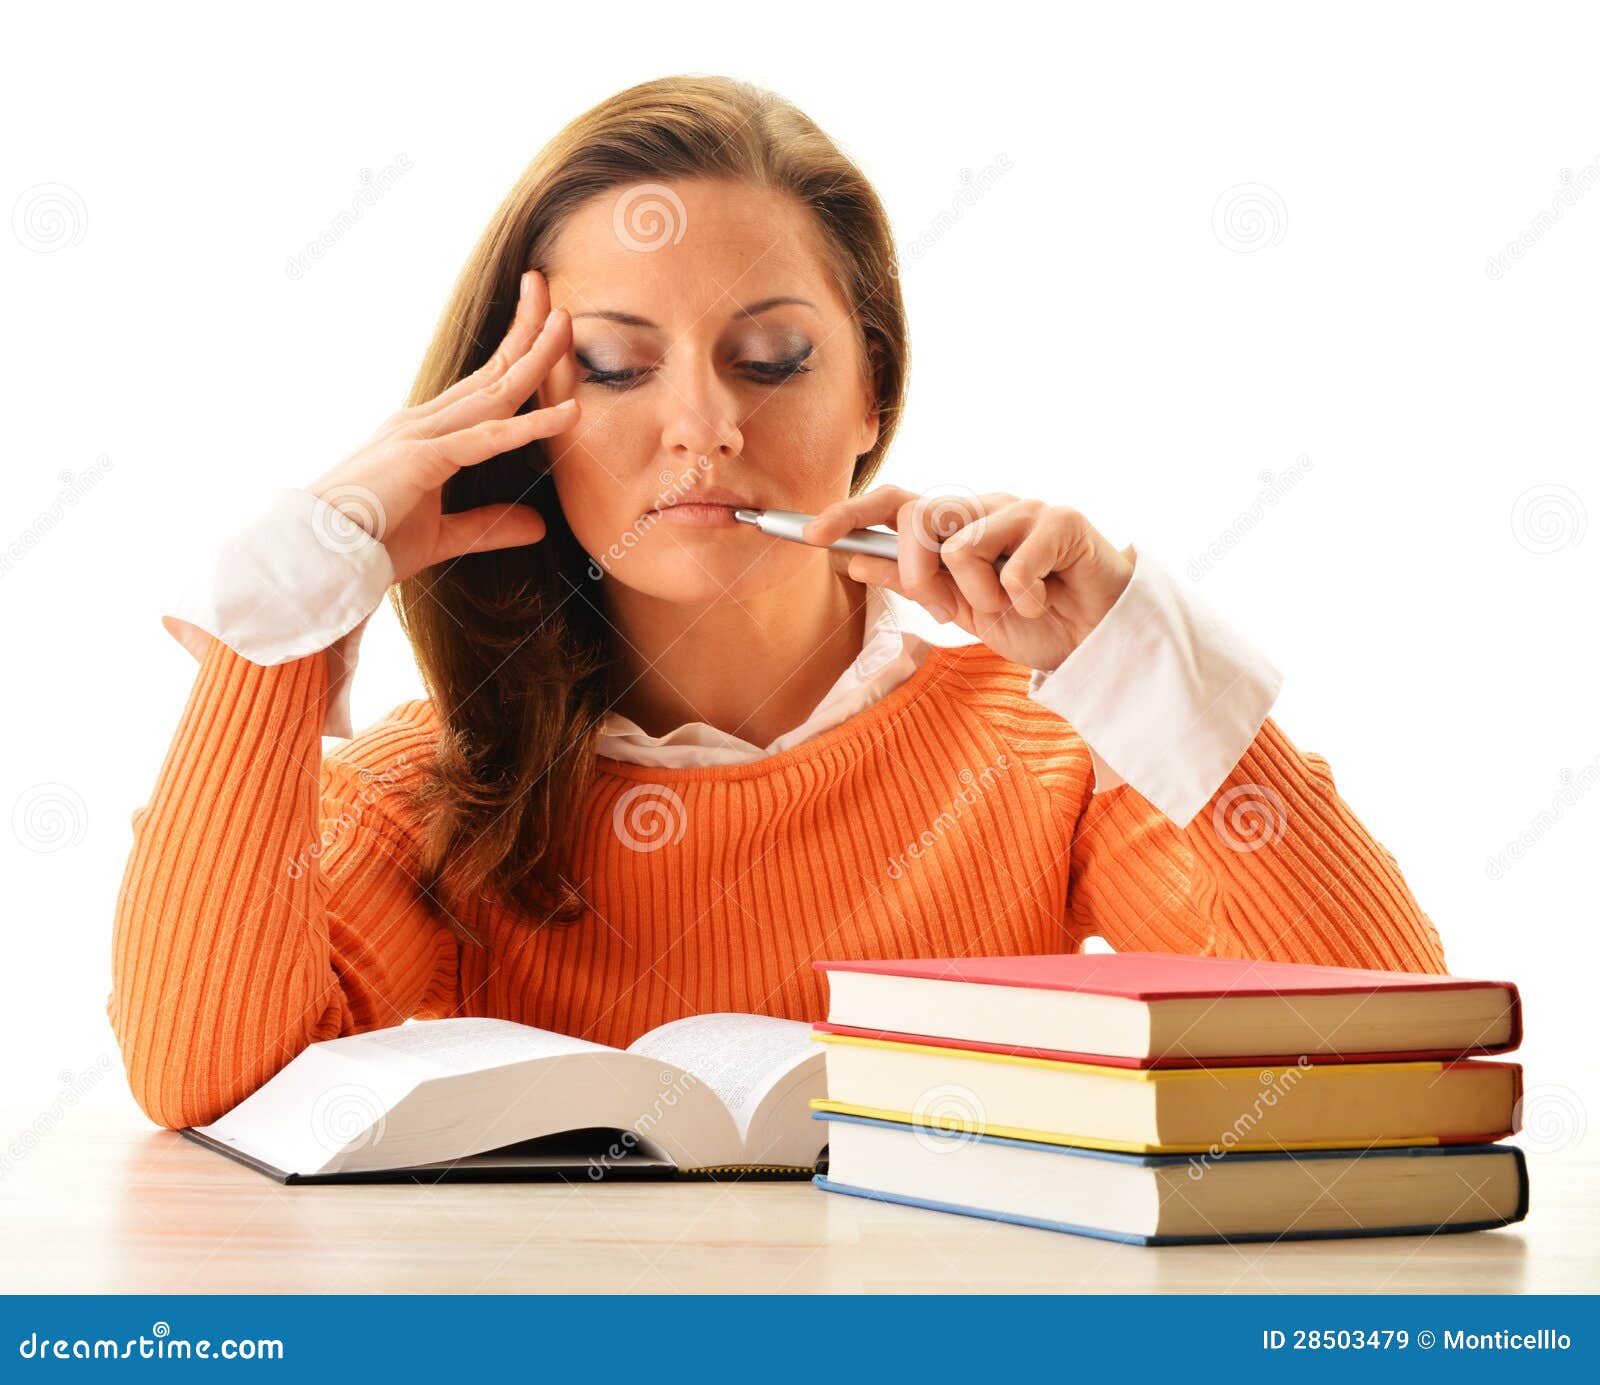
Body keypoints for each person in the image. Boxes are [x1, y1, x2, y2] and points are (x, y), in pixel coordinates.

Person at [109, 75, 1447, 1131]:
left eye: (771, 357)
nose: (703, 426)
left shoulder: (1056, 754)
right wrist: (301, 588)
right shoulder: (436, 795)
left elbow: (1393, 1063)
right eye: (618, 366)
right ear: (521, 423)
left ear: (872, 394)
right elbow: (201, 1079)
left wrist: (1134, 655)